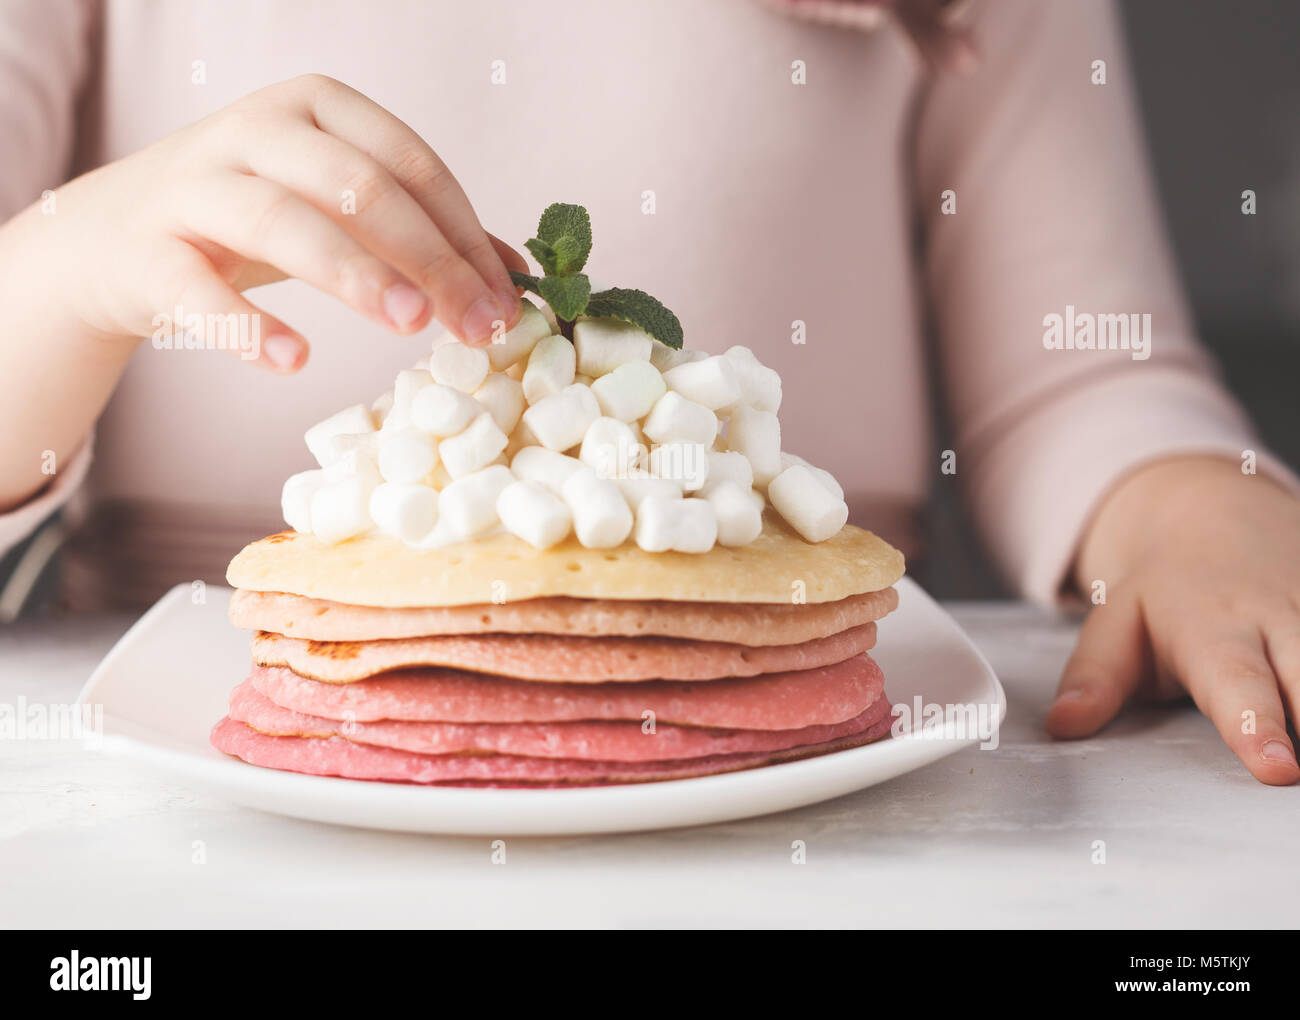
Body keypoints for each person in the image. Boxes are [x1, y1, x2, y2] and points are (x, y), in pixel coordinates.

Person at [0, 0, 1297, 784]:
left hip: (826, 777)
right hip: (211, 795)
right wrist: (58, 269)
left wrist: (1188, 509)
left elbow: (1081, 375)